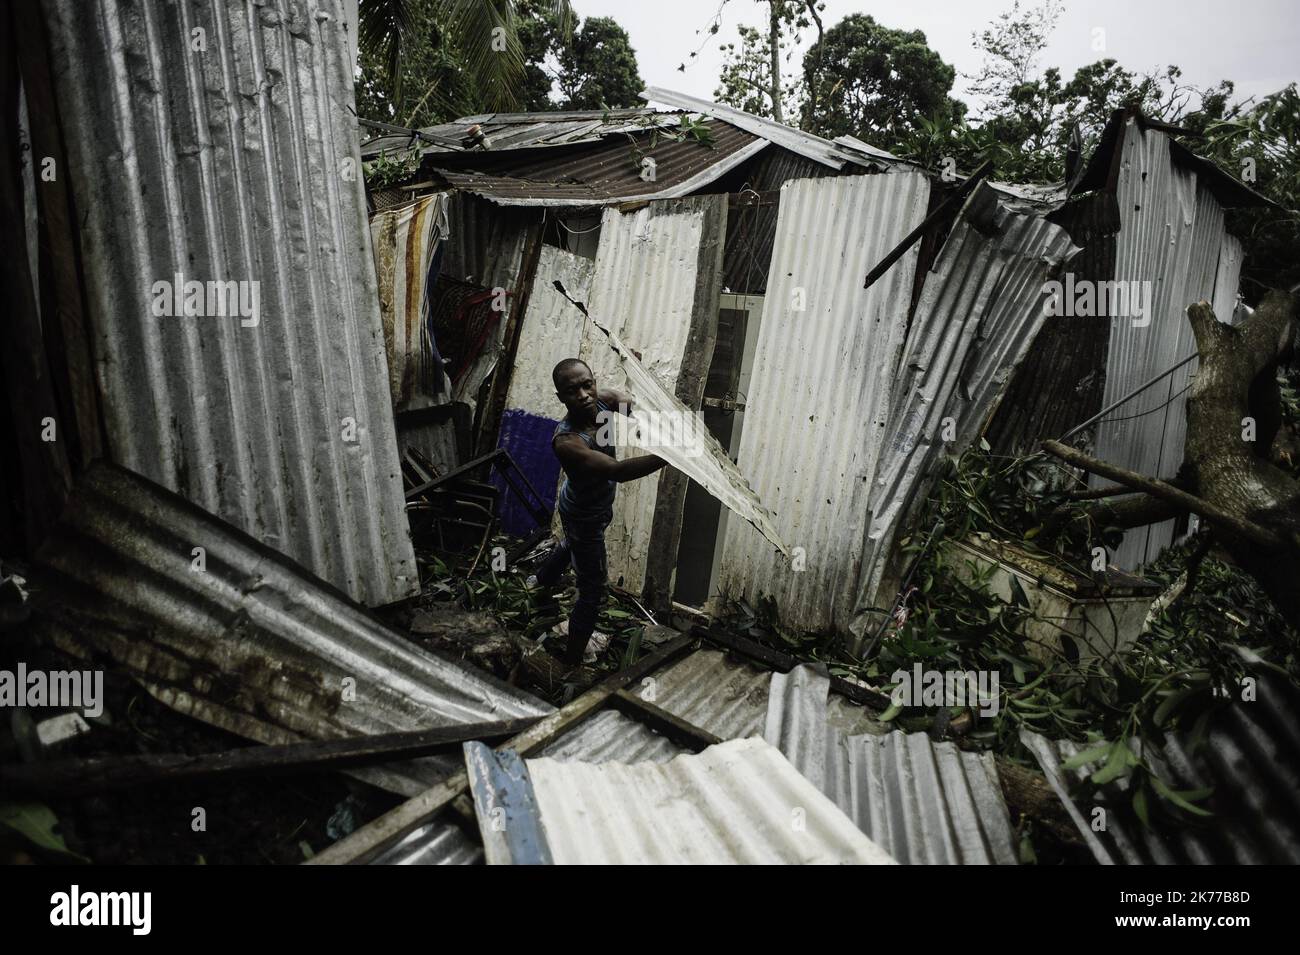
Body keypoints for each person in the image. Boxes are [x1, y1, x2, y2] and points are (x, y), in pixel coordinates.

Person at [532, 358, 668, 664]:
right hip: (583, 513)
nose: (582, 395)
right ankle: (570, 663)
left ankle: (541, 583)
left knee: (571, 544)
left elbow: (625, 402)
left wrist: (641, 416)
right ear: (560, 398)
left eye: (586, 384)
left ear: (594, 382)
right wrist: (668, 456)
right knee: (592, 591)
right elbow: (616, 471)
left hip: (590, 504)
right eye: (571, 391)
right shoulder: (567, 441)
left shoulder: (602, 403)